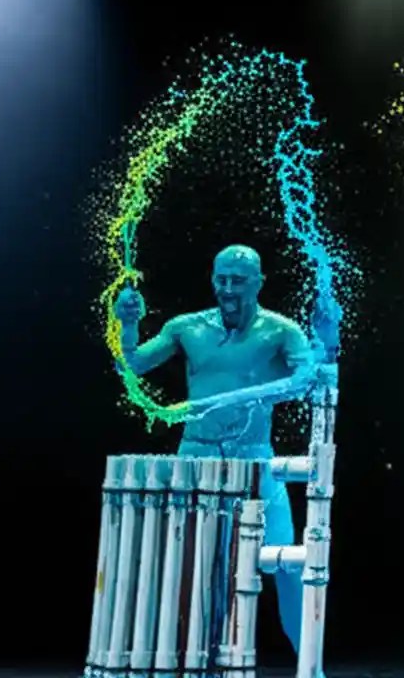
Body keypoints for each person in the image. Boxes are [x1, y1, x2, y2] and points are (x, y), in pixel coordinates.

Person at [114, 244, 315, 663]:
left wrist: (241, 397)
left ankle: (310, 667)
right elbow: (131, 365)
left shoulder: (280, 332)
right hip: (197, 462)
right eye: (221, 279)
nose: (228, 289)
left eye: (238, 281)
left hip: (256, 462)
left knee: (290, 569)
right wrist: (128, 325)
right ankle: (190, 664)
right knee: (189, 571)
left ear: (259, 282)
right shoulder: (186, 327)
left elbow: (307, 378)